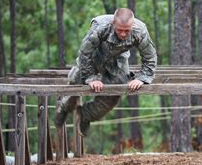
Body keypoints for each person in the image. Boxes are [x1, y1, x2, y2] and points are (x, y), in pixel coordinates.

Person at [54, 8, 157, 136]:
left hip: (118, 59)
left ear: (133, 25)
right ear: (113, 23)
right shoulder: (100, 27)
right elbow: (85, 53)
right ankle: (63, 108)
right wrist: (91, 78)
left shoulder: (140, 31)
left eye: (127, 30)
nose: (124, 34)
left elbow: (150, 58)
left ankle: (86, 115)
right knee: (76, 82)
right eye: (120, 30)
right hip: (94, 56)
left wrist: (141, 78)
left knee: (116, 91)